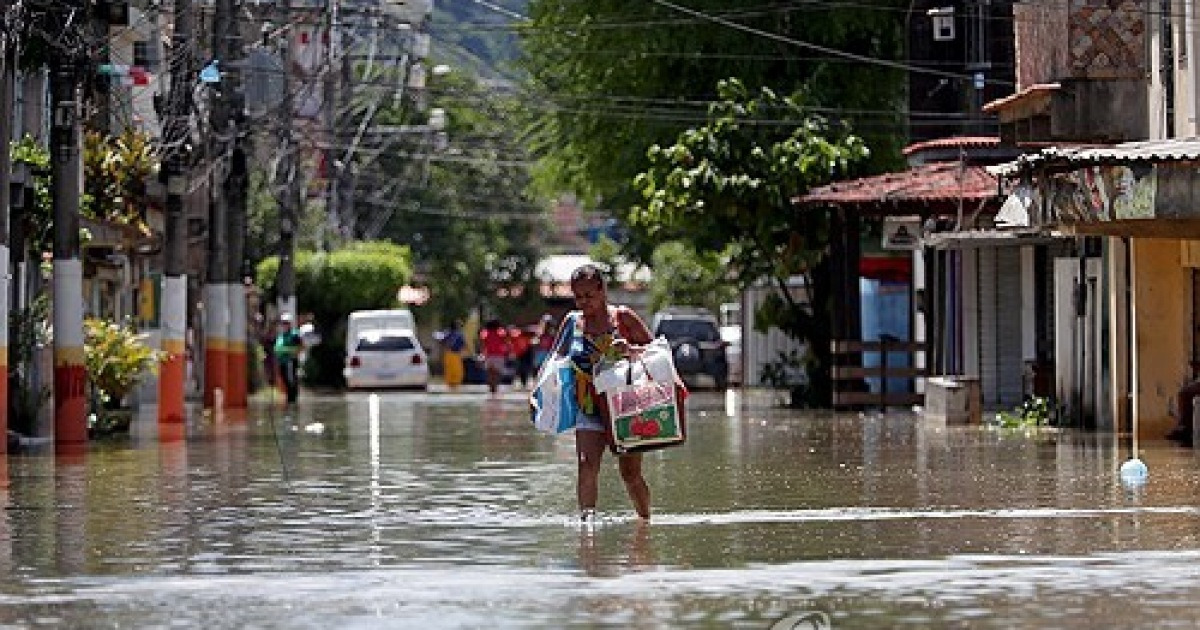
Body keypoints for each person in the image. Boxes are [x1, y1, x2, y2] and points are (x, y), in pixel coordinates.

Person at [552, 264, 655, 520]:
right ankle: (588, 529)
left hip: (626, 407)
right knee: (586, 466)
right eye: (578, 296)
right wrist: (539, 396)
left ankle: (645, 524)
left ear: (603, 290)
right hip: (588, 406)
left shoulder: (623, 318)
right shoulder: (572, 323)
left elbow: (658, 352)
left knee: (630, 474)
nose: (583, 302)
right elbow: (554, 360)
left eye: (589, 295)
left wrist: (630, 349)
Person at [274, 313, 304, 404]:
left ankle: (292, 399)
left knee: (291, 379)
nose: (284, 325)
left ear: (290, 324)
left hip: (290, 361)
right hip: (282, 362)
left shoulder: (295, 335)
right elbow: (276, 348)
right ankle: (289, 397)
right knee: (285, 379)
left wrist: (290, 352)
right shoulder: (281, 336)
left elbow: (300, 347)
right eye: (283, 323)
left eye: (286, 323)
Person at [479, 319, 512, 395]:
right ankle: (495, 387)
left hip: (489, 355)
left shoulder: (485, 332)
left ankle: (491, 388)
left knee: (490, 373)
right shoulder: (501, 332)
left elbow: (482, 343)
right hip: (499, 355)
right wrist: (509, 351)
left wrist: (482, 353)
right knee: (497, 373)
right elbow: (507, 342)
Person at [438, 320, 467, 391]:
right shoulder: (458, 334)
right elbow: (464, 344)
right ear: (456, 326)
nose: (460, 326)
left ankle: (451, 386)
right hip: (454, 354)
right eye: (459, 325)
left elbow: (440, 340)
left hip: (449, 353)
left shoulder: (447, 333)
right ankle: (453, 386)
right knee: (456, 370)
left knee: (451, 370)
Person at [510, 325, 534, 389]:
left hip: (526, 353)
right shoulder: (516, 337)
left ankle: (525, 383)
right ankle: (523, 383)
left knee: (524, 369)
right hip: (520, 354)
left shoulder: (526, 336)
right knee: (521, 369)